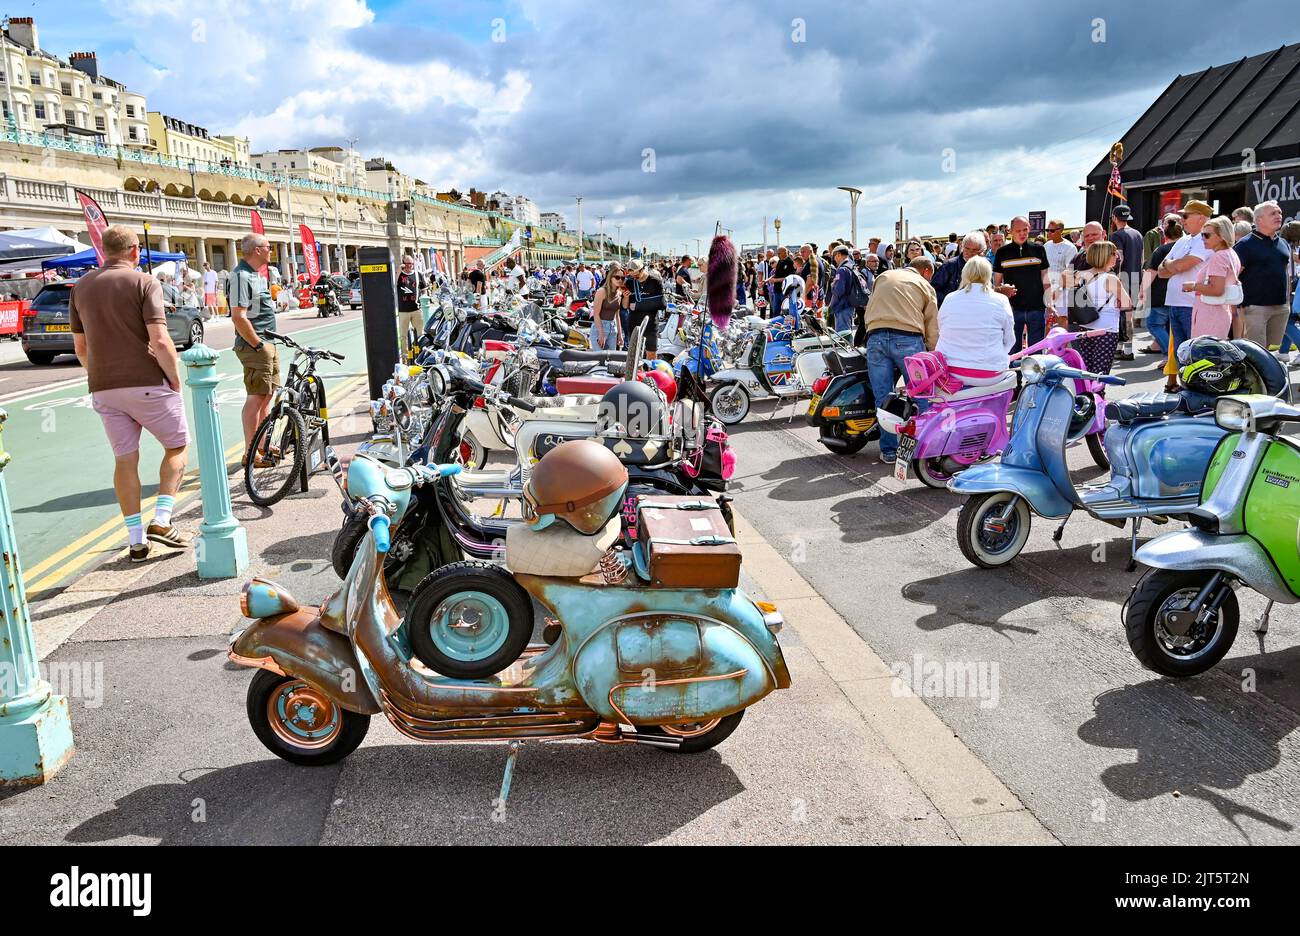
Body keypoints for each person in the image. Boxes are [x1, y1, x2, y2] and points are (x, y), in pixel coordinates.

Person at [69, 225, 189, 562]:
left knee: (125, 460)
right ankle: (162, 520)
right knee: (177, 447)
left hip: (104, 387)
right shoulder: (144, 282)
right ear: (135, 251)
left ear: (103, 251)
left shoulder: (81, 287)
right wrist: (173, 377)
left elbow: (81, 347)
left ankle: (136, 540)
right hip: (148, 383)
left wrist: (99, 374)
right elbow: (161, 340)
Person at [863, 257, 938, 464]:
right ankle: (924, 449)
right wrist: (932, 352)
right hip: (908, 338)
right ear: (926, 272)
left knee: (883, 396)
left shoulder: (884, 276)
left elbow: (870, 307)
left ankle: (888, 451)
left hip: (875, 337)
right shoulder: (924, 285)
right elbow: (932, 323)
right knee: (921, 395)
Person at [226, 233, 281, 459]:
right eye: (268, 247)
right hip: (255, 346)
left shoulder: (255, 275)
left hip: (266, 343)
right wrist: (258, 345)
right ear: (257, 250)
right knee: (257, 397)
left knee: (267, 395)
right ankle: (250, 453)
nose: (271, 250)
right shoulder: (240, 277)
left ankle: (262, 444)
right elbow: (238, 316)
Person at [934, 256, 1015, 380]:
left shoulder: (950, 298)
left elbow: (941, 329)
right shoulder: (1000, 300)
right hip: (990, 373)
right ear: (989, 274)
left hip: (951, 371)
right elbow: (1010, 339)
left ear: (964, 274)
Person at [1157, 199, 1213, 350]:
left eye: (1186, 216)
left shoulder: (1206, 239)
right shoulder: (1183, 240)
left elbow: (1179, 266)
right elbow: (1160, 272)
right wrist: (1174, 265)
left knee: (1194, 353)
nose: (1182, 220)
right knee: (1180, 354)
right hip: (1176, 304)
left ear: (1201, 217)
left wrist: (1171, 264)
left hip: (1192, 305)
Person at [1233, 200, 1290, 348]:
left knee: (1273, 351)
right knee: (1257, 354)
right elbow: (1233, 274)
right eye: (1273, 213)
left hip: (1280, 307)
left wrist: (1287, 303)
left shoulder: (1282, 242)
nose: (1278, 216)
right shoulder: (1245, 245)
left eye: (1279, 213)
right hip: (1255, 307)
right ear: (1259, 219)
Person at [993, 216, 1051, 353]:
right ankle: (1014, 375)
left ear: (1029, 229)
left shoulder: (1039, 249)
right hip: (1012, 310)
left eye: (1025, 230)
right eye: (1018, 230)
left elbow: (1046, 279)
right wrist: (1001, 289)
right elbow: (995, 285)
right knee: (1012, 352)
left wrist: (1050, 305)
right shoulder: (1002, 252)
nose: (1022, 233)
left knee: (1036, 353)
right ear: (1010, 231)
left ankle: (1035, 375)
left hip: (1037, 308)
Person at [1072, 241, 1130, 376]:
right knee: (1100, 374)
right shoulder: (1111, 278)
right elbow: (1127, 304)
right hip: (1106, 330)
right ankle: (1098, 396)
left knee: (1086, 371)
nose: (1117, 256)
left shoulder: (1078, 275)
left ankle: (1087, 396)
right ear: (1104, 256)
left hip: (1084, 327)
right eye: (1114, 253)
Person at [1185, 215, 1241, 340]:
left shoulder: (1219, 256)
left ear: (1222, 236)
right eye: (1202, 235)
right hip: (1219, 310)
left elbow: (1217, 289)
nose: (1203, 239)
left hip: (1210, 313)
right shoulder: (1231, 254)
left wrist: (1193, 286)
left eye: (1207, 235)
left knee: (1205, 355)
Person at [1139, 215, 1183, 357]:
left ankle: (1170, 355)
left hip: (1159, 295)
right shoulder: (1185, 249)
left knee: (1154, 325)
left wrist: (1142, 290)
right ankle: (1172, 355)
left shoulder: (1161, 250)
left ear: (1165, 233)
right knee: (1172, 328)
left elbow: (1151, 272)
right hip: (1179, 295)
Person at [931, 231, 987, 307]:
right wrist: (952, 302)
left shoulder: (986, 266)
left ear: (982, 251)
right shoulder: (949, 266)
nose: (970, 253)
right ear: (962, 247)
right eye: (967, 248)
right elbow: (933, 290)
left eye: (974, 250)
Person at [623, 259, 665, 358]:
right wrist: (626, 297)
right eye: (632, 275)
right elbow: (625, 306)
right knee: (634, 356)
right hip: (634, 324)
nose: (635, 278)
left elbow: (662, 304)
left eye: (636, 275)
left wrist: (638, 305)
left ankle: (650, 373)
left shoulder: (655, 281)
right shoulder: (629, 282)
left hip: (651, 324)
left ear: (642, 269)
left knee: (651, 355)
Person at [396, 255, 427, 357]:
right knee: (403, 335)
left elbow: (423, 288)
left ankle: (419, 353)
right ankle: (405, 356)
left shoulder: (418, 274)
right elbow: (393, 282)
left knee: (419, 333)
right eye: (407, 263)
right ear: (403, 263)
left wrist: (424, 298)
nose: (409, 266)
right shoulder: (399, 275)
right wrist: (399, 269)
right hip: (403, 310)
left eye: (411, 263)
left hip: (416, 309)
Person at [590, 264, 624, 350]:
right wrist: (601, 333)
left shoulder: (619, 293)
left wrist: (620, 334)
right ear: (610, 277)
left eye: (622, 278)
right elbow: (596, 314)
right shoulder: (602, 291)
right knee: (600, 359)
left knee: (611, 360)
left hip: (613, 328)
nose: (620, 280)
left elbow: (617, 315)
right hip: (600, 327)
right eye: (617, 277)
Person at [827, 243, 859, 333]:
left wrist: (832, 285)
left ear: (838, 254)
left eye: (834, 256)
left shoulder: (842, 270)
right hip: (850, 305)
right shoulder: (852, 266)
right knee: (848, 332)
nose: (834, 259)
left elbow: (839, 290)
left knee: (842, 335)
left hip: (842, 306)